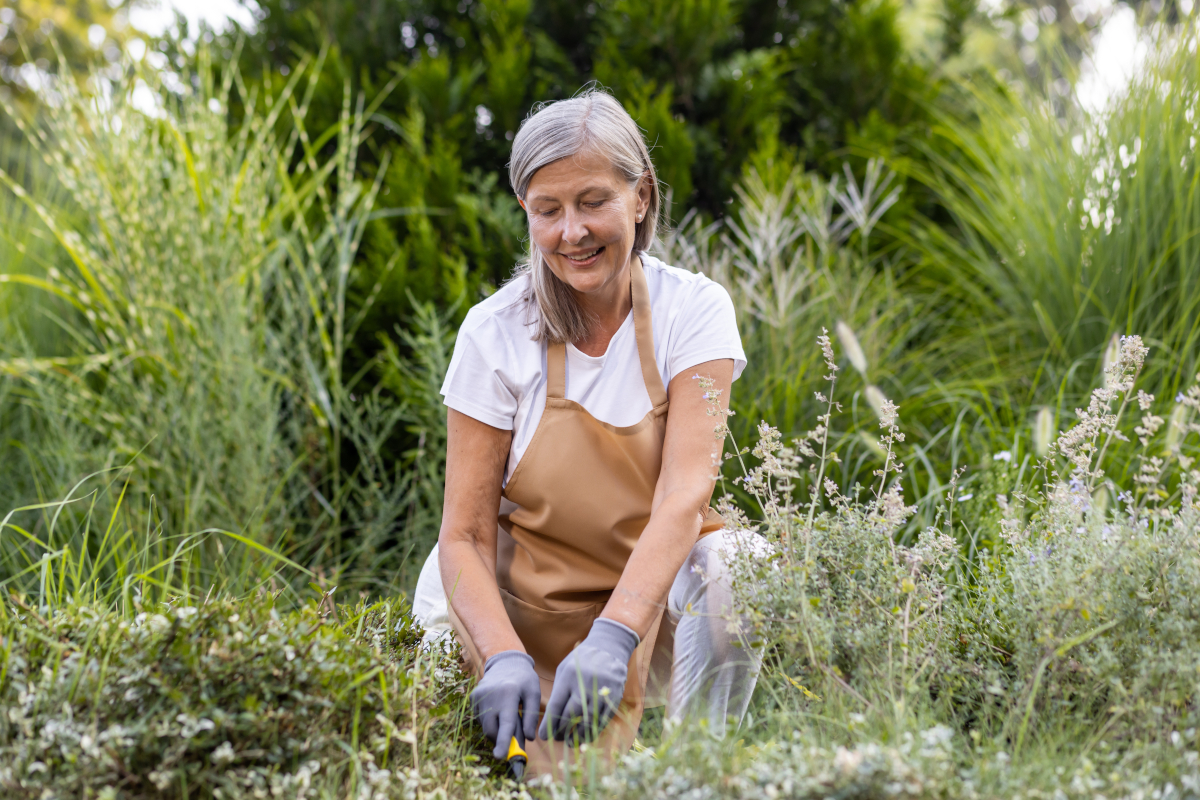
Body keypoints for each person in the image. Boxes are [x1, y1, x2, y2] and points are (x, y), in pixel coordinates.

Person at [410, 89, 762, 776]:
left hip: (640, 596)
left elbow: (683, 498)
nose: (572, 231)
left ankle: (693, 780)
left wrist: (613, 636)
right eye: (549, 210)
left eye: (593, 201)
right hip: (515, 606)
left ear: (641, 195)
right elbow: (464, 537)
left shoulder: (693, 311)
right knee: (519, 785)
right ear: (527, 214)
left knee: (742, 569)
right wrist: (500, 653)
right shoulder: (494, 333)